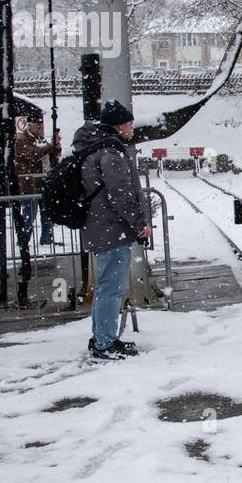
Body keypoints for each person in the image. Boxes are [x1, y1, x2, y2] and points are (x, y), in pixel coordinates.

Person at [73, 100, 150, 360]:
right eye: (128, 123)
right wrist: (140, 223)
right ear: (118, 125)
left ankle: (103, 339)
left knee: (107, 287)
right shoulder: (110, 152)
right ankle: (104, 344)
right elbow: (121, 194)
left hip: (100, 226)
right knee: (111, 288)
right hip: (109, 228)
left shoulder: (95, 148)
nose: (131, 127)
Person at [13, 115, 60, 246]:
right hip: (30, 184)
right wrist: (51, 146)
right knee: (29, 215)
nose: (40, 127)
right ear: (29, 125)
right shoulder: (21, 140)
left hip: (43, 183)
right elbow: (34, 154)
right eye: (37, 124)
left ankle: (47, 238)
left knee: (47, 214)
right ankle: (24, 241)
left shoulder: (40, 139)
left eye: (41, 124)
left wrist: (56, 148)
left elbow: (51, 158)